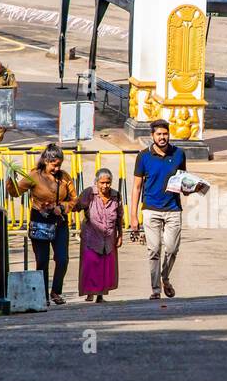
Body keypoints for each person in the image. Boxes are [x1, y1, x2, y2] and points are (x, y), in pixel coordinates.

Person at [129, 119, 205, 300]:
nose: (162, 137)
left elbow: (182, 181)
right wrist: (133, 216)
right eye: (159, 134)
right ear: (152, 136)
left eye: (165, 134)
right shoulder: (143, 157)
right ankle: (155, 289)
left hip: (173, 209)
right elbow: (136, 187)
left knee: (171, 249)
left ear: (169, 134)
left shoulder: (179, 154)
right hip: (151, 209)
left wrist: (194, 187)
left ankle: (165, 277)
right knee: (153, 250)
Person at [23, 144, 78, 305]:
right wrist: (10, 181)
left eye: (59, 165)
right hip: (40, 222)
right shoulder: (34, 175)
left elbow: (74, 200)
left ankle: (56, 291)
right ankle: (42, 295)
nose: (57, 168)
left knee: (62, 259)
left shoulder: (65, 177)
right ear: (46, 161)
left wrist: (62, 207)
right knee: (42, 260)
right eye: (54, 165)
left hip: (60, 222)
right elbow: (15, 191)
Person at [77, 168, 123, 303]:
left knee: (104, 266)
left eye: (108, 183)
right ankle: (90, 293)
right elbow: (77, 205)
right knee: (91, 264)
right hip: (91, 236)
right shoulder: (89, 193)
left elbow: (119, 217)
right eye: (102, 183)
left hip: (108, 237)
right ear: (96, 182)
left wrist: (120, 235)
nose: (105, 186)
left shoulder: (116, 195)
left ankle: (100, 295)